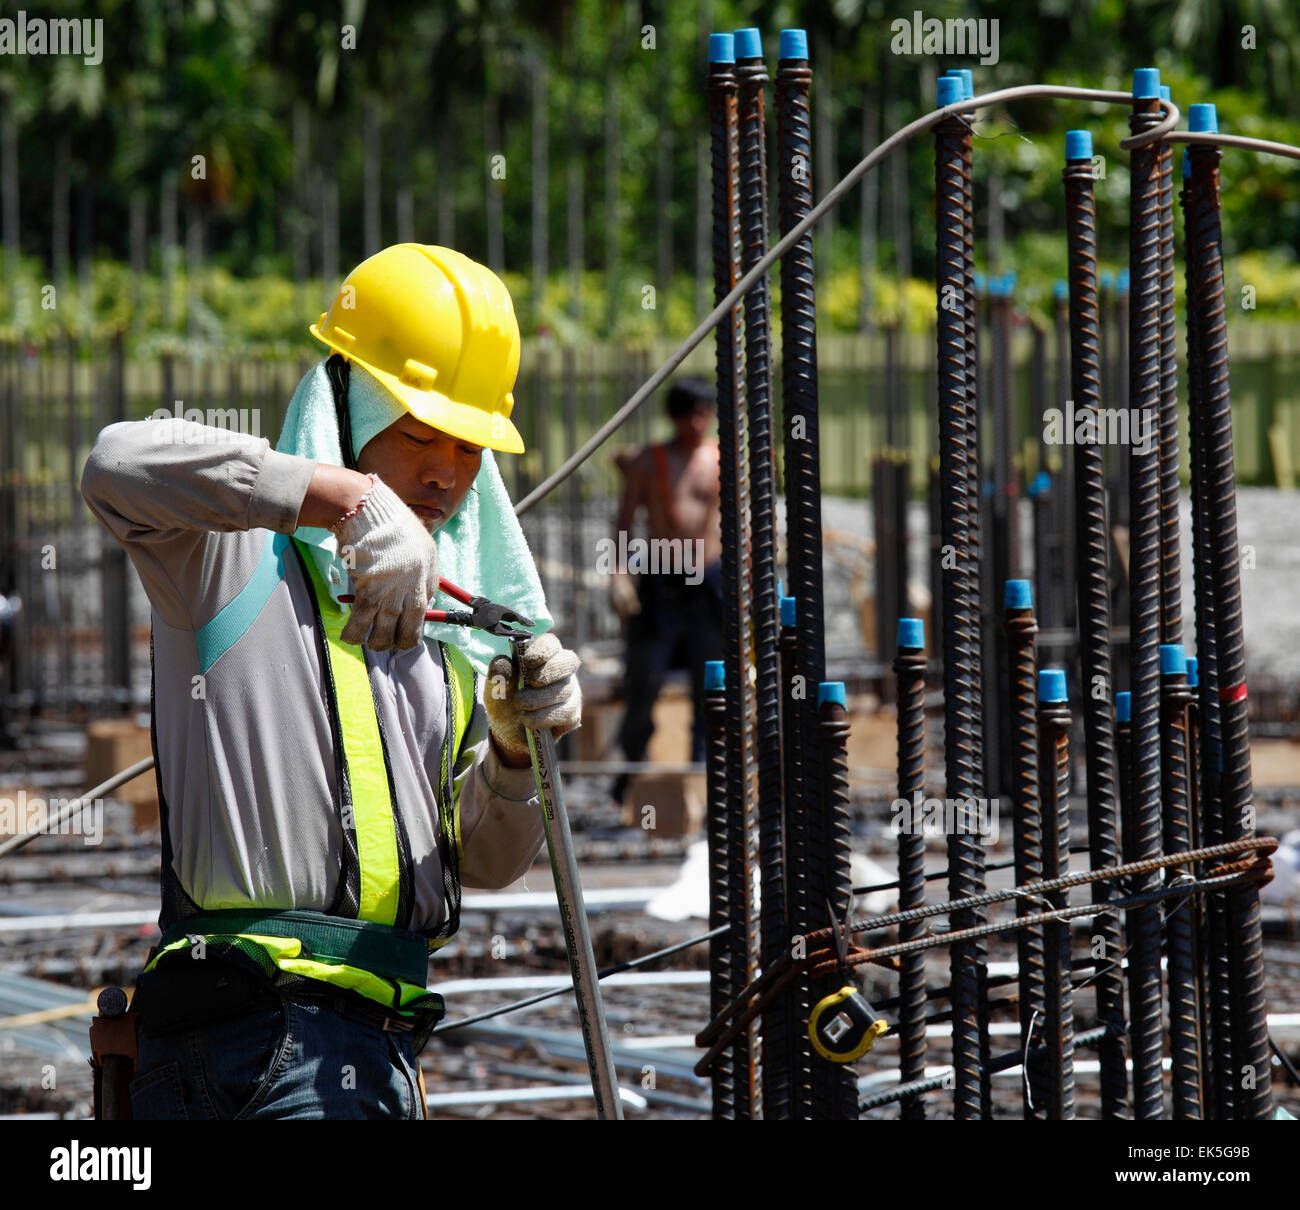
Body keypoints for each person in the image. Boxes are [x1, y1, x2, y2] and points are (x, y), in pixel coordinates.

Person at [81, 243, 581, 1120]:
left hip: (376, 1044)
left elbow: (493, 866)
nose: (445, 473)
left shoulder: (454, 640)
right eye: (420, 433)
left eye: (469, 448)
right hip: (249, 1032)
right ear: (347, 408)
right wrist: (342, 499)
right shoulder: (230, 559)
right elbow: (117, 462)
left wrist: (512, 749)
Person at [609, 378, 723, 803]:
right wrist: (618, 575)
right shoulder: (649, 461)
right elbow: (623, 523)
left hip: (709, 582)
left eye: (703, 414)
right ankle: (631, 773)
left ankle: (704, 782)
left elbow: (743, 524)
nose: (696, 423)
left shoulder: (719, 459)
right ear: (674, 417)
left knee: (710, 686)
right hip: (660, 582)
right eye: (688, 414)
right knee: (644, 681)